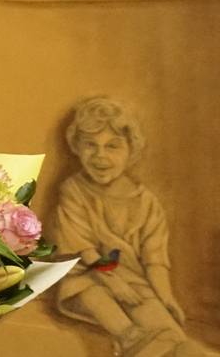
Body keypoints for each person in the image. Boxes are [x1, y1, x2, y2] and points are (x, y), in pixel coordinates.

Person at [54, 97, 204, 357]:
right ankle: (129, 337)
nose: (100, 155)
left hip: (135, 281)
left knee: (168, 329)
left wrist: (165, 297)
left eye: (113, 146)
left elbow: (154, 258)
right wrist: (113, 282)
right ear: (76, 147)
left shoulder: (146, 202)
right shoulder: (74, 191)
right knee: (91, 293)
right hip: (87, 274)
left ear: (131, 150)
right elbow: (83, 249)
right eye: (91, 145)